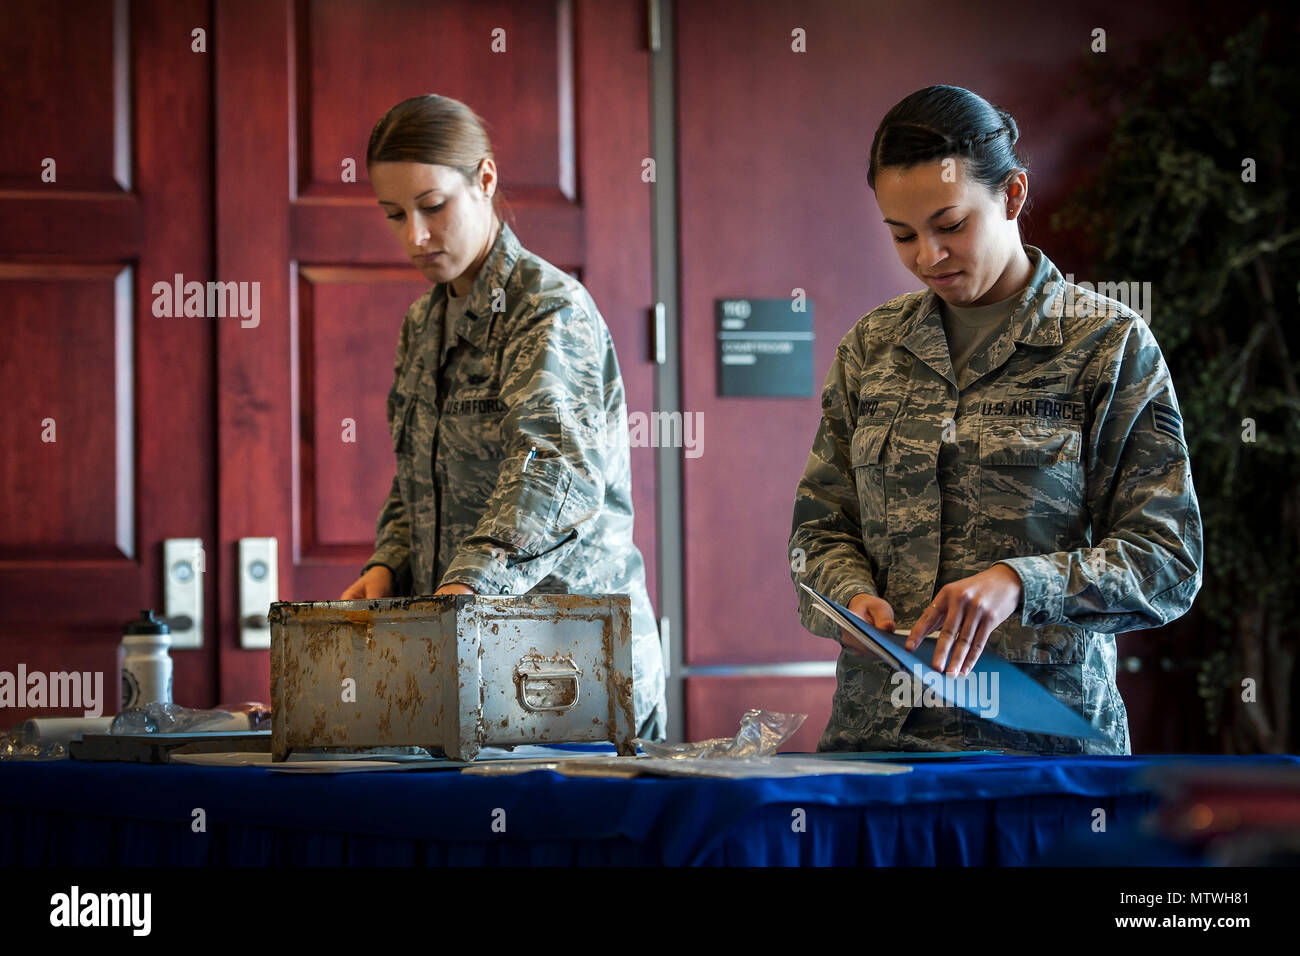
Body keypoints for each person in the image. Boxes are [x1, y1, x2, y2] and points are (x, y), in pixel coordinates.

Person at [789, 85, 1202, 755]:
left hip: (1042, 752)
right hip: (880, 745)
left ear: (1011, 197)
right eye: (902, 234)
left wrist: (1021, 583)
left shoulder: (1106, 344)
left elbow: (1169, 560)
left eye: (950, 225)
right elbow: (821, 529)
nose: (928, 256)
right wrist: (849, 600)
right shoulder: (872, 348)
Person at [339, 94, 666, 740]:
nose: (416, 237)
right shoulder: (423, 323)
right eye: (394, 215)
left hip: (572, 666)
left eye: (433, 207)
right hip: (472, 662)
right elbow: (417, 480)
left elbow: (553, 473)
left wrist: (467, 585)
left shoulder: (548, 310)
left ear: (485, 179)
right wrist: (388, 564)